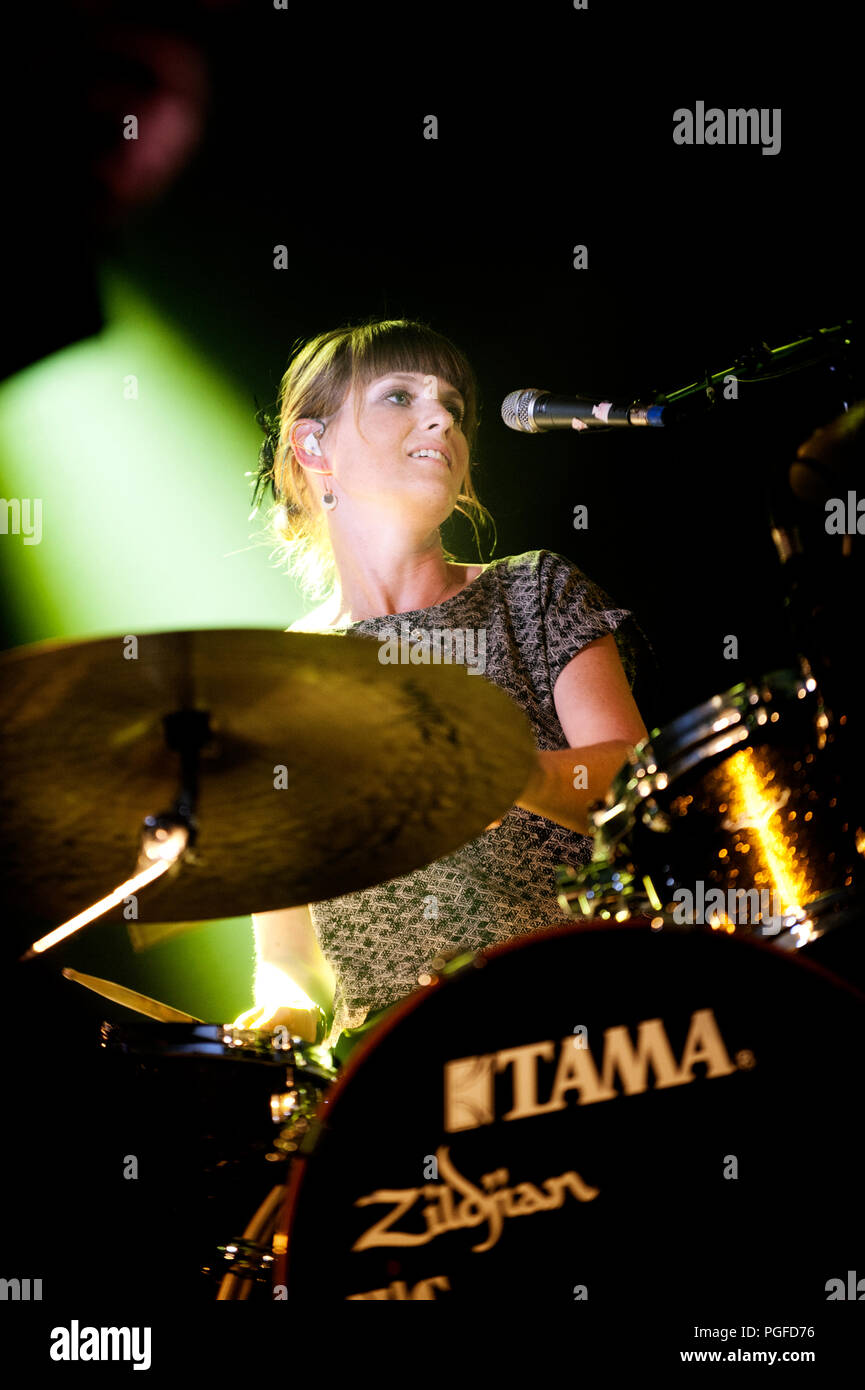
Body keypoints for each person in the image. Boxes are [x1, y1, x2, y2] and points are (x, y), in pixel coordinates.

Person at [234, 318, 649, 1061]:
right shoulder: (279, 681)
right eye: (400, 396)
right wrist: (281, 1012)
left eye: (452, 408)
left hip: (580, 1020)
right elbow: (288, 958)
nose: (442, 419)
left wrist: (499, 773)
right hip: (397, 1061)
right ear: (313, 446)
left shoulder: (532, 590)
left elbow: (639, 789)